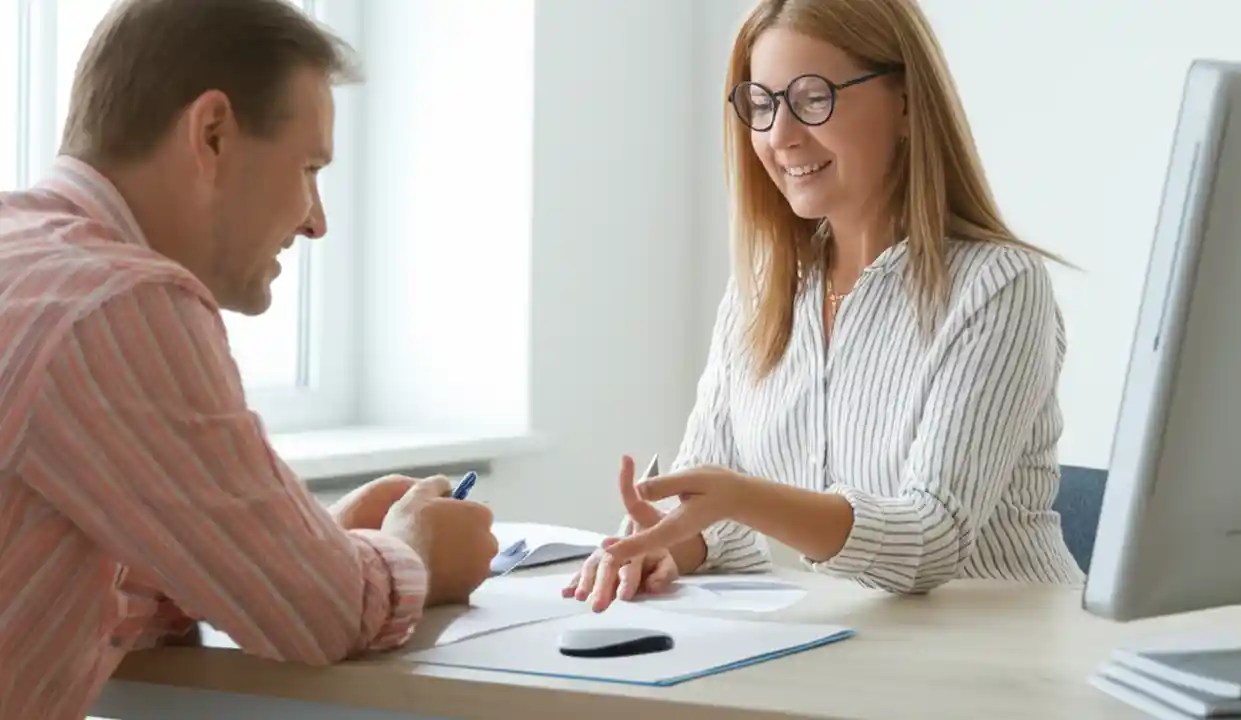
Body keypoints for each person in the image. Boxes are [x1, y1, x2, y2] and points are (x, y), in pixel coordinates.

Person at [0, 1, 497, 718]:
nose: (316, 220)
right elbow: (322, 615)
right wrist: (415, 552)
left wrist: (310, 540)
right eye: (309, 167)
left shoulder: (27, 259)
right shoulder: (115, 303)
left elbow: (117, 587)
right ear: (212, 133)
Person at [567, 0, 1084, 612]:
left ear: (907, 103)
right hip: (847, 649)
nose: (780, 136)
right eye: (761, 105)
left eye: (814, 97)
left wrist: (741, 498)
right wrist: (672, 543)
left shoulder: (997, 285)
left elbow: (931, 539)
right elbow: (717, 506)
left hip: (1010, 661)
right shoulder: (760, 290)